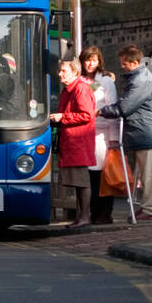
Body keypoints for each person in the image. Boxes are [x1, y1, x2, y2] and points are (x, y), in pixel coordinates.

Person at [98, 45, 152, 221]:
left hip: (148, 133)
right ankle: (148, 207)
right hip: (144, 131)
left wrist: (101, 111)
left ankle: (151, 210)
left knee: (150, 174)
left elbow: (124, 107)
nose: (122, 66)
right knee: (146, 174)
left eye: (124, 63)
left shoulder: (141, 81)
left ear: (135, 63)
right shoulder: (139, 78)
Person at [51, 57, 96, 227]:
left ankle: (84, 217)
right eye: (60, 70)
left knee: (81, 181)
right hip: (71, 141)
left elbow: (87, 115)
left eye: (64, 71)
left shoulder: (80, 89)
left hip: (79, 141)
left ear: (75, 72)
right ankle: (81, 216)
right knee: (77, 182)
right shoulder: (68, 90)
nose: (60, 74)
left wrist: (63, 117)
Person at [80, 45, 118, 224]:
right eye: (87, 60)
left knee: (103, 176)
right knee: (89, 177)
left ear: (99, 61)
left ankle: (104, 213)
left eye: (94, 60)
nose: (90, 63)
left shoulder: (105, 81)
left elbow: (113, 108)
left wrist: (114, 138)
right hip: (83, 135)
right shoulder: (79, 80)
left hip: (102, 135)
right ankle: (92, 213)